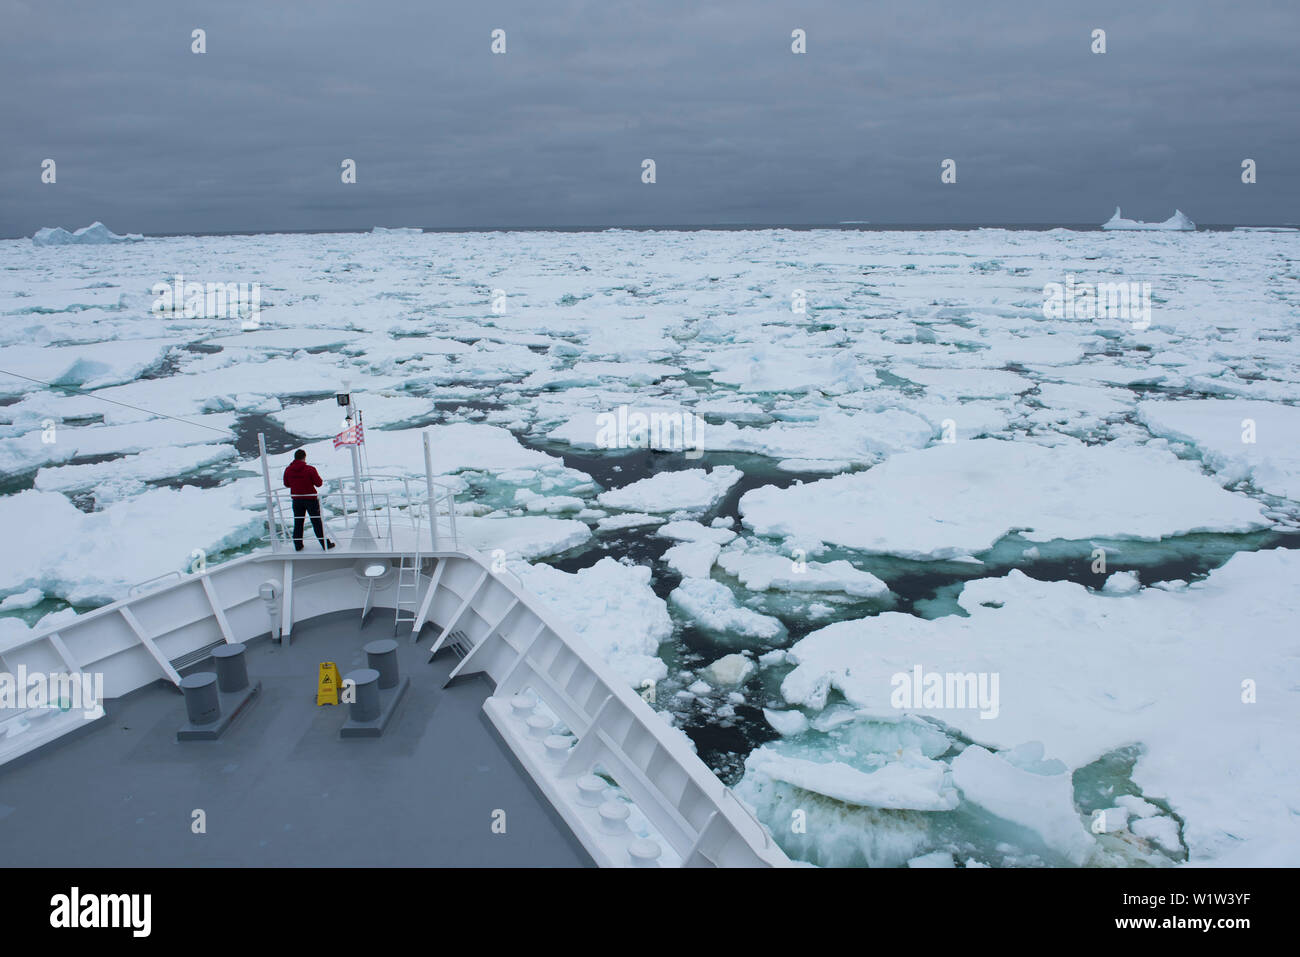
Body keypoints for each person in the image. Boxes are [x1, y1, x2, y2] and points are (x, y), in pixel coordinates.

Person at [283, 449, 335, 551]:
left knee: (298, 522)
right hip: (310, 499)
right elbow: (319, 483)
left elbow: (286, 484)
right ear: (304, 457)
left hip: (297, 500)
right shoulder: (310, 469)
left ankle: (298, 545)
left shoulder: (288, 470)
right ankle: (325, 544)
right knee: (316, 522)